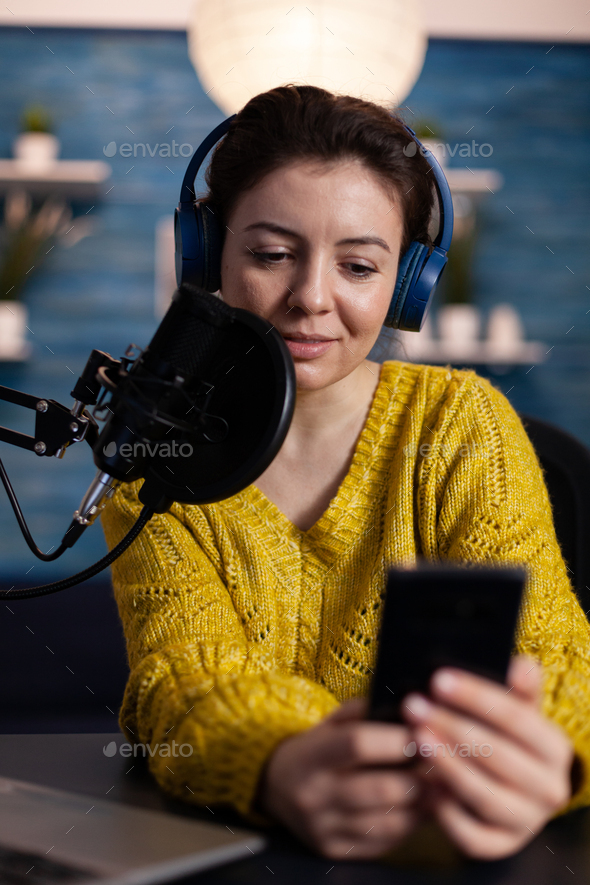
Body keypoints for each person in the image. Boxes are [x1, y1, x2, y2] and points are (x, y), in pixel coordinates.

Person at [100, 84, 590, 862]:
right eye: (270, 254)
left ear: (405, 284)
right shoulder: (157, 460)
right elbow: (183, 683)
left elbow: (559, 664)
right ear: (206, 253)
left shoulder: (459, 423)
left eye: (359, 265)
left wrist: (547, 755)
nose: (311, 300)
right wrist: (286, 763)